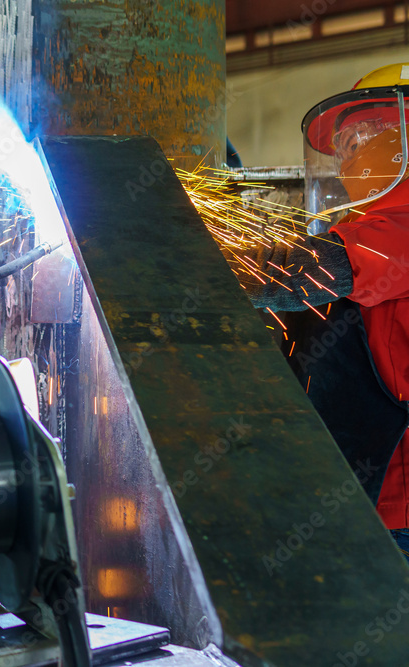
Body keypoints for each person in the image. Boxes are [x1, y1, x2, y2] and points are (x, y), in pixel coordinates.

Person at [235, 63, 409, 563]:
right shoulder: (372, 225)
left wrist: (199, 259)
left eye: (363, 138)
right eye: (345, 146)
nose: (350, 158)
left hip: (399, 501)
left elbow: (306, 272)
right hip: (369, 492)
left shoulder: (399, 226)